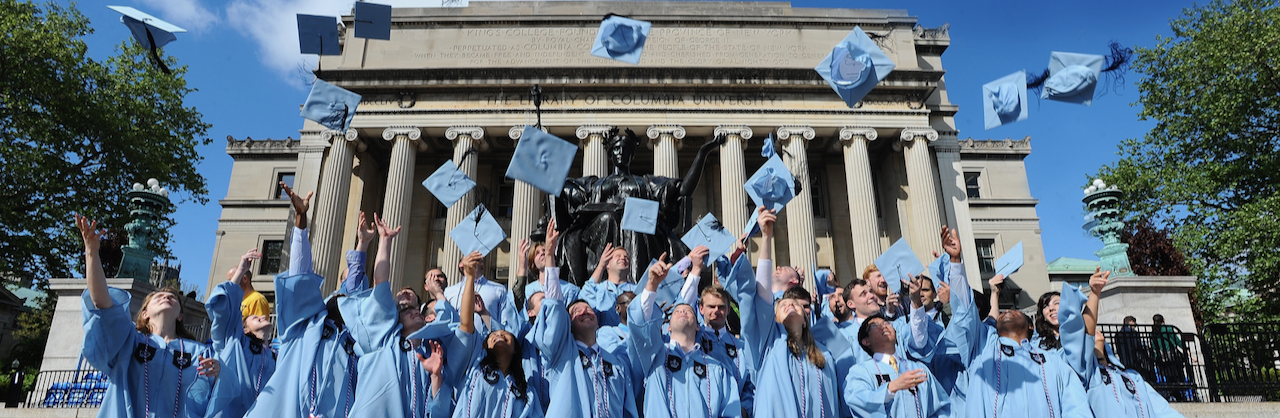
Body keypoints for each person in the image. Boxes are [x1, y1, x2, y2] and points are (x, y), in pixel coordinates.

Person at [76, 214, 220, 418]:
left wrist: (218, 373)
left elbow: (219, 398)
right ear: (145, 314)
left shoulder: (199, 353)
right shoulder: (129, 342)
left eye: (173, 297)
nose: (166, 297)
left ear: (180, 315)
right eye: (158, 296)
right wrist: (91, 253)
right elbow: (102, 303)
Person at [244, 187, 362, 418]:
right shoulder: (301, 327)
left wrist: (364, 246)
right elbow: (300, 274)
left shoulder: (353, 344)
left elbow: (358, 291)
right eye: (339, 297)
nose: (344, 300)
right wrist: (300, 221)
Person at [340, 212, 455, 418]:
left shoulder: (432, 355)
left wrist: (436, 376)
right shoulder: (381, 340)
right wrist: (385, 241)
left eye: (415, 309)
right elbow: (380, 281)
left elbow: (439, 411)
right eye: (406, 311)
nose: (413, 313)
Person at [729, 207, 840, 418]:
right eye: (782, 305)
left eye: (796, 304)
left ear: (807, 319)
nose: (789, 305)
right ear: (773, 318)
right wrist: (767, 238)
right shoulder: (767, 344)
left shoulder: (824, 356)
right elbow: (762, 292)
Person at [532, 221, 639, 418]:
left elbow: (628, 410)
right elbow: (555, 306)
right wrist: (549, 256)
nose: (584, 312)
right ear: (567, 325)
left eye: (588, 309)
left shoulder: (616, 363)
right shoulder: (562, 353)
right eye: (576, 311)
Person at [954, 272, 1090, 418]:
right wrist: (956, 263)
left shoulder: (1052, 360)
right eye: (1002, 313)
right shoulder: (984, 350)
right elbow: (964, 315)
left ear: (1030, 326)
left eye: (1014, 311)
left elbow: (1076, 405)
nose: (1007, 311)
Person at [627, 254, 742, 418]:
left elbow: (731, 413)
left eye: (688, 311)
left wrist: (696, 269)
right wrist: (652, 284)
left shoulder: (717, 368)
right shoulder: (654, 356)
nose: (682, 311)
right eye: (677, 311)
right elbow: (641, 323)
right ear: (667, 328)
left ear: (697, 326)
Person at [444, 252, 544, 418]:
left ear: (515, 349)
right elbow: (466, 324)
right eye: (493, 335)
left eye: (505, 334)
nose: (499, 334)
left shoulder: (527, 393)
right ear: (484, 346)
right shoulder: (472, 372)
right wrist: (470, 278)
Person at [206, 247, 277, 417]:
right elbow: (224, 310)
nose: (261, 316)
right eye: (253, 317)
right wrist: (241, 269)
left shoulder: (278, 354)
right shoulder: (237, 344)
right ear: (244, 328)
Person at [844, 314, 950, 418]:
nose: (884, 326)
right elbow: (857, 399)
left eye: (886, 323)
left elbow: (942, 408)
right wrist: (891, 388)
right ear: (866, 341)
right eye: (875, 325)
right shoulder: (861, 371)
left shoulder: (918, 369)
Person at [444, 254, 522, 334]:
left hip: (488, 342)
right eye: (470, 255)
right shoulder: (449, 291)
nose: (473, 256)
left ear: (482, 263)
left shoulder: (499, 289)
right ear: (461, 264)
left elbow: (505, 325)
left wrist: (484, 313)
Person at [581, 243, 635, 327]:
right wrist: (601, 266)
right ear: (607, 263)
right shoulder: (597, 289)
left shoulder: (638, 290)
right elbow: (583, 298)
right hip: (605, 338)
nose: (623, 258)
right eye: (618, 256)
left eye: (626, 257)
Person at [519, 238, 582, 308]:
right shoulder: (527, 291)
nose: (542, 253)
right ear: (534, 264)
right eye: (537, 253)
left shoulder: (570, 290)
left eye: (545, 251)